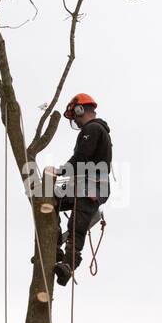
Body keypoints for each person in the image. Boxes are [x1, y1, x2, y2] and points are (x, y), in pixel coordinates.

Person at [51, 93, 113, 286]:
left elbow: (81, 158)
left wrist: (60, 170)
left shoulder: (93, 129)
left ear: (80, 109)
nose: (75, 122)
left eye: (74, 116)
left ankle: (69, 264)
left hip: (93, 184)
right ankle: (54, 245)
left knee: (77, 222)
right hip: (83, 182)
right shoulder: (92, 130)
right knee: (51, 197)